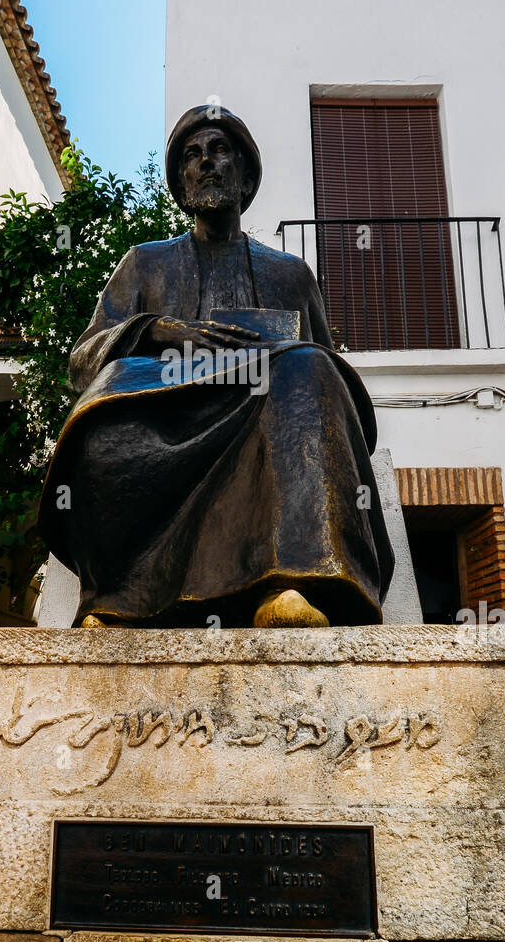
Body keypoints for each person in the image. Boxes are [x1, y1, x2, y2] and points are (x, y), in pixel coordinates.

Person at [38, 105, 394, 627]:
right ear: (182, 186)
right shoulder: (145, 263)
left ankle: (289, 584)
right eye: (193, 155)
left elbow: (329, 387)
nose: (206, 162)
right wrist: (158, 330)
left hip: (263, 420)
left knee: (306, 366)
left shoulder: (291, 276)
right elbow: (83, 360)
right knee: (101, 431)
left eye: (220, 150)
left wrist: (281, 363)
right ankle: (123, 597)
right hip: (170, 419)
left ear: (245, 178)